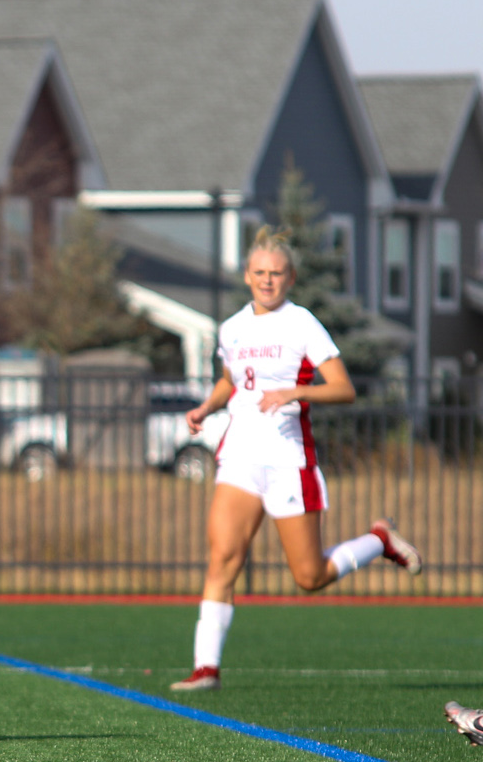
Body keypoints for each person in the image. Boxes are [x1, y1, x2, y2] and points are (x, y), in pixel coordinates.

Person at [170, 226, 421, 692]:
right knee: (223, 555)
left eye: (277, 273)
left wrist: (295, 390)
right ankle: (207, 667)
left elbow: (343, 388)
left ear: (291, 278)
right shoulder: (233, 328)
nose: (268, 280)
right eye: (260, 272)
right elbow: (232, 379)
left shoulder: (302, 324)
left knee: (309, 576)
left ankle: (378, 540)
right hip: (240, 456)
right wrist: (206, 407)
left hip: (289, 460)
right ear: (246, 275)